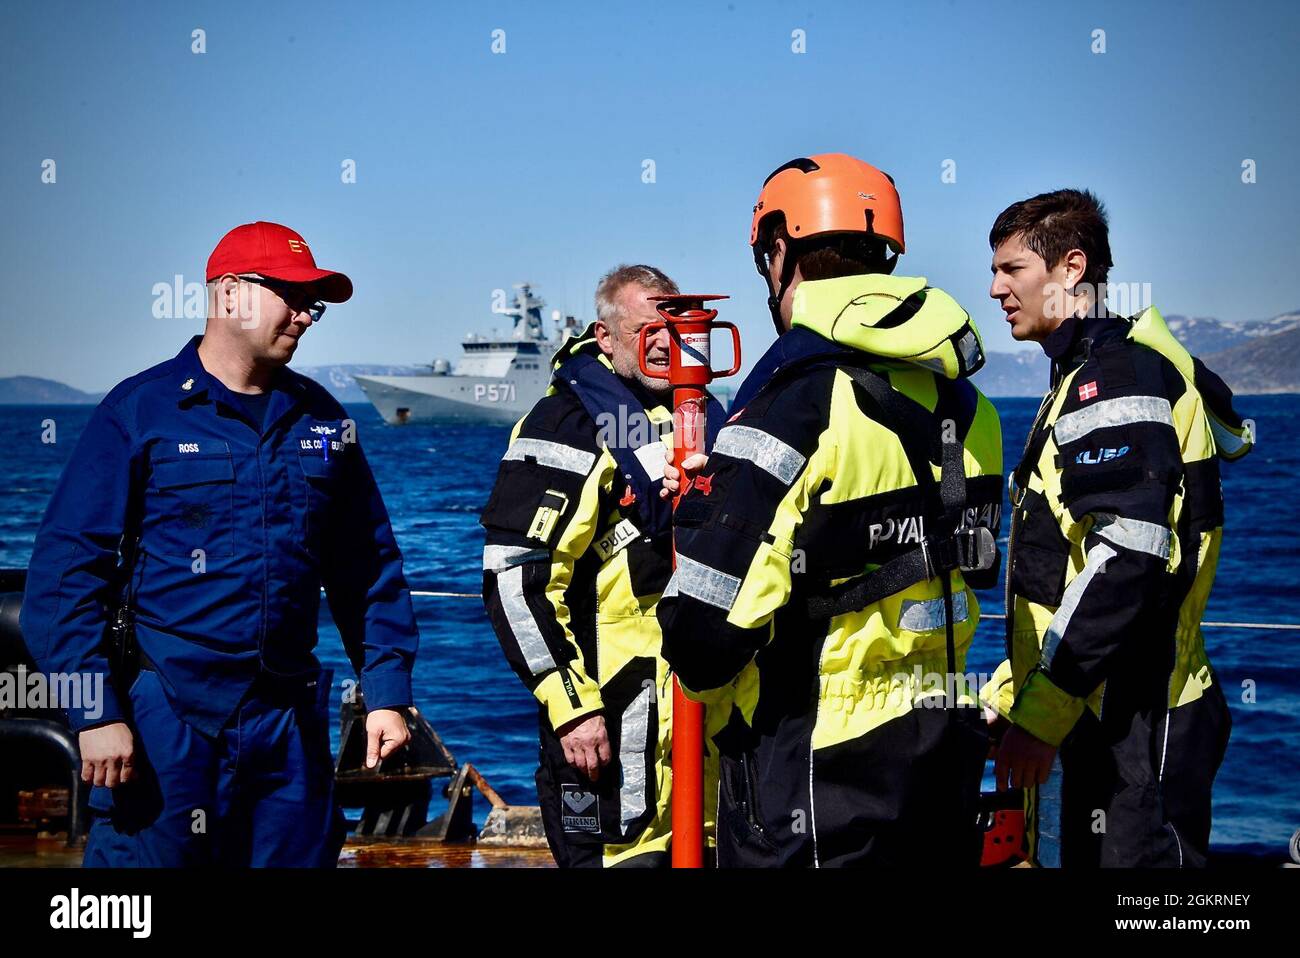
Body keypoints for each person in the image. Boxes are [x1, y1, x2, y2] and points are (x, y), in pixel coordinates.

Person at [21, 220, 418, 867]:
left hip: (287, 728)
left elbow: (367, 567)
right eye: (290, 295)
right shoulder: (140, 413)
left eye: (312, 302)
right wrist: (94, 713)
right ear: (229, 294)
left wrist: (388, 694)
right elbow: (65, 578)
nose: (305, 315)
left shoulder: (325, 423)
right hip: (167, 722)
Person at [657, 153, 1004, 867]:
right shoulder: (974, 409)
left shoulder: (793, 406)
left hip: (816, 768)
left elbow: (701, 642)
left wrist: (704, 513)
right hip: (943, 748)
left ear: (779, 252)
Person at [983, 189, 1249, 867]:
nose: (995, 289)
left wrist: (1040, 718)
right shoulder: (1085, 374)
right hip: (1097, 707)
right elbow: (1065, 566)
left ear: (1071, 269)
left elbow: (1125, 562)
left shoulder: (1116, 379)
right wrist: (1014, 696)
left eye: (1011, 270)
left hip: (1138, 717)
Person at [480, 265, 725, 867]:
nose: (665, 343)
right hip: (608, 735)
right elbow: (517, 576)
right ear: (605, 336)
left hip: (706, 749)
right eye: (646, 330)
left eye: (673, 326)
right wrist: (571, 706)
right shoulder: (565, 424)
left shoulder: (710, 420)